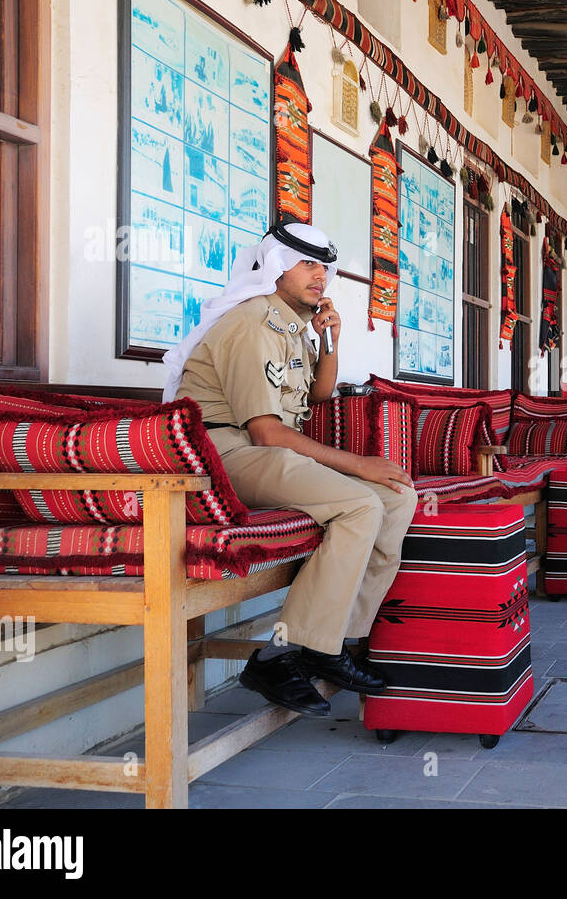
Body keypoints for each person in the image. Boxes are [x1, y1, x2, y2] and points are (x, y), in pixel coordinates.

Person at [164, 222, 418, 717]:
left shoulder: (289, 324)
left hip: (266, 455)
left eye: (323, 266)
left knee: (397, 498)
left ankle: (335, 644)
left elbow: (316, 396)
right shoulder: (253, 323)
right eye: (306, 264)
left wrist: (330, 342)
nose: (319, 276)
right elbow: (266, 432)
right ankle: (280, 655)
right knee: (362, 501)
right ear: (276, 268)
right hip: (224, 457)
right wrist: (360, 465)